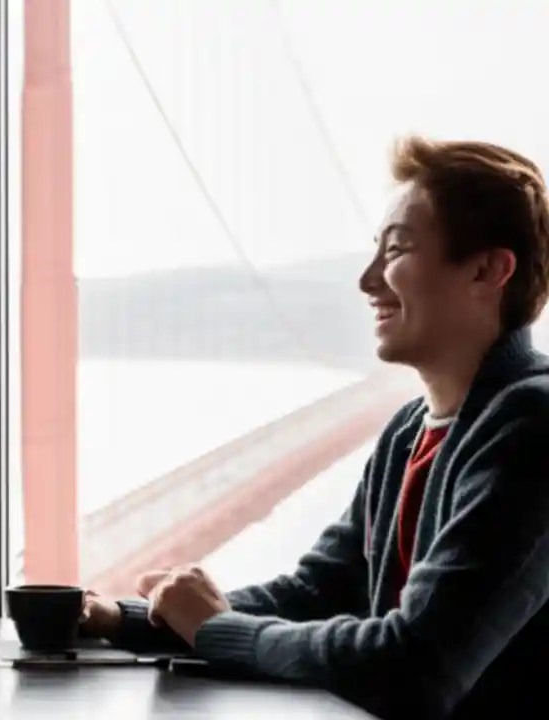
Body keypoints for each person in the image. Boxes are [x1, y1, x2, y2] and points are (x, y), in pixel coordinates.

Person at [83, 137, 549, 719]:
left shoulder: (531, 425)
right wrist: (133, 618)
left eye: (397, 250)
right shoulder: (409, 431)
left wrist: (217, 630)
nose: (367, 280)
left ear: (486, 269)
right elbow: (317, 593)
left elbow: (418, 666)